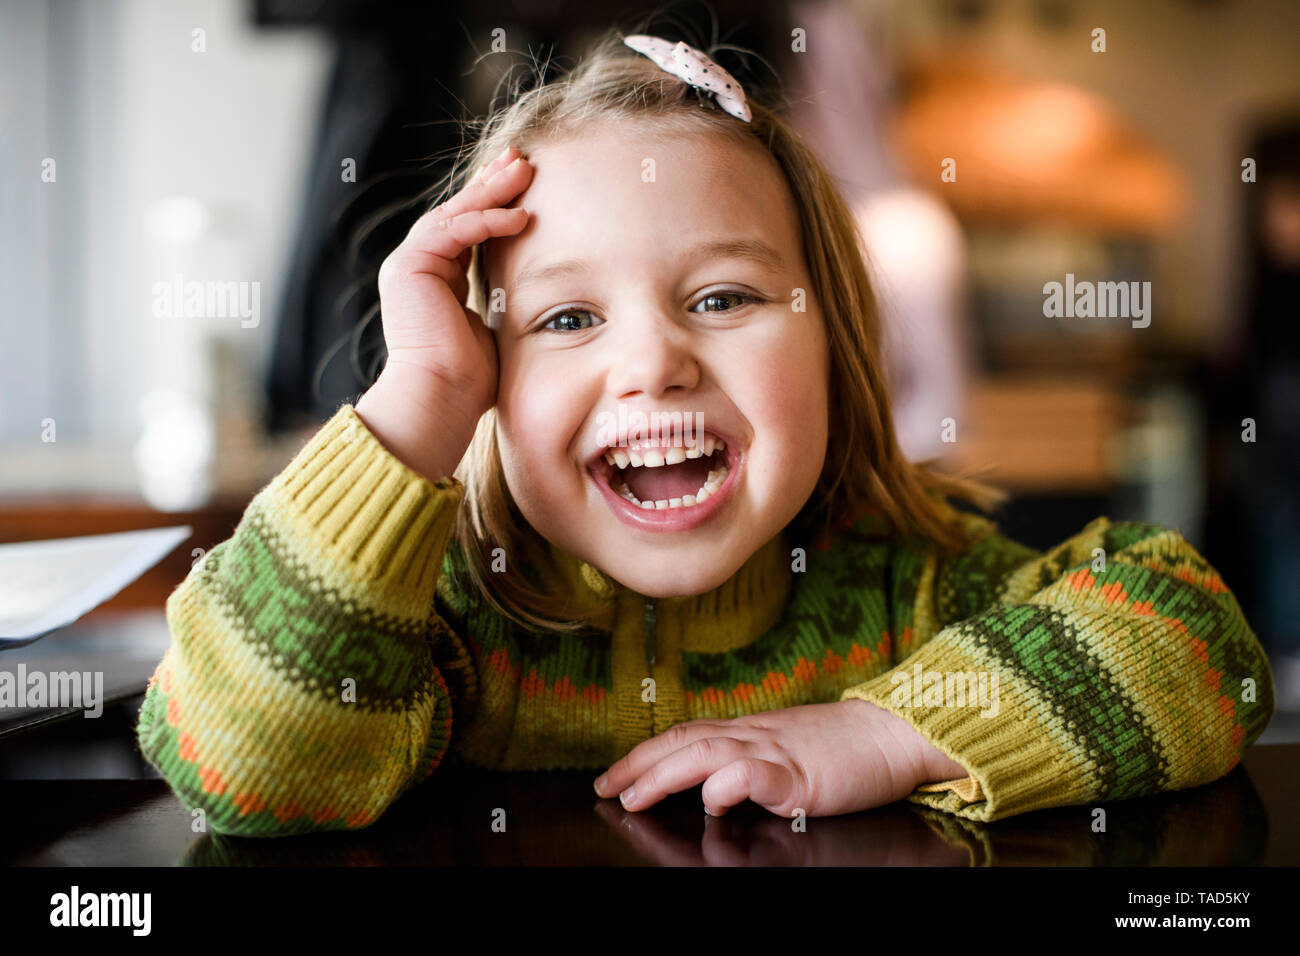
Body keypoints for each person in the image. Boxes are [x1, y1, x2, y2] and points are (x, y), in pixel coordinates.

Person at [136, 27, 1274, 838]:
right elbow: (241, 767)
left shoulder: (909, 594)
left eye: (721, 297)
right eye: (568, 318)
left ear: (833, 340)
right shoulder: (440, 622)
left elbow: (1201, 645)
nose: (651, 364)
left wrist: (884, 734)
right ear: (489, 381)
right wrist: (412, 403)